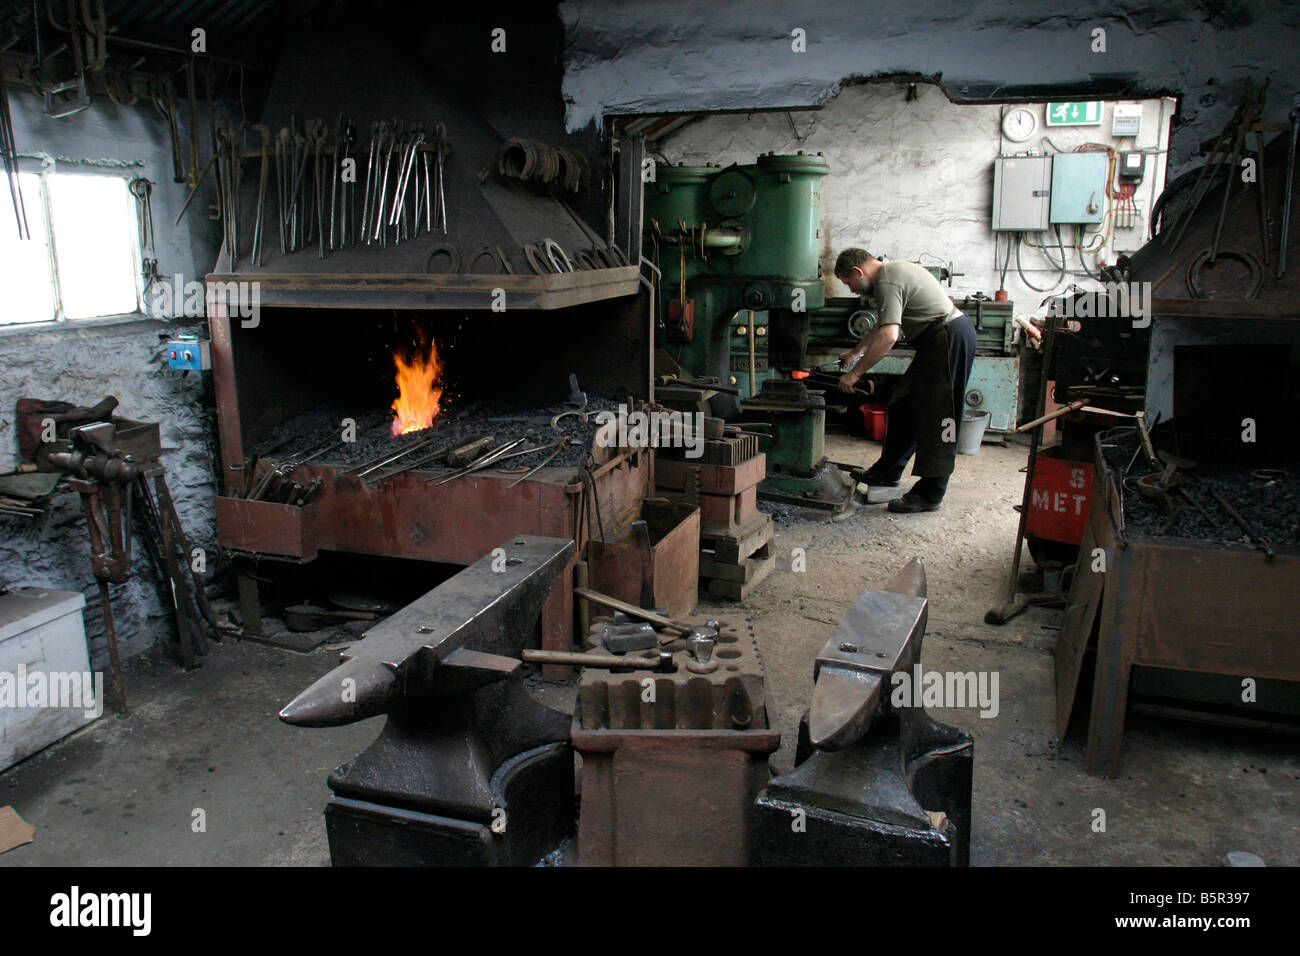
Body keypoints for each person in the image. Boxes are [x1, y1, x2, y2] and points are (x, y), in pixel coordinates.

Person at [834, 248, 977, 513]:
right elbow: (883, 323)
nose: (852, 290)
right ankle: (888, 471)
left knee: (940, 416)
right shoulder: (890, 276)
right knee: (902, 405)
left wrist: (855, 374)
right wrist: (856, 352)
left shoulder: (888, 278)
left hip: (948, 336)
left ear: (858, 272)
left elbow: (889, 336)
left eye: (848, 283)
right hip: (936, 339)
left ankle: (930, 494)